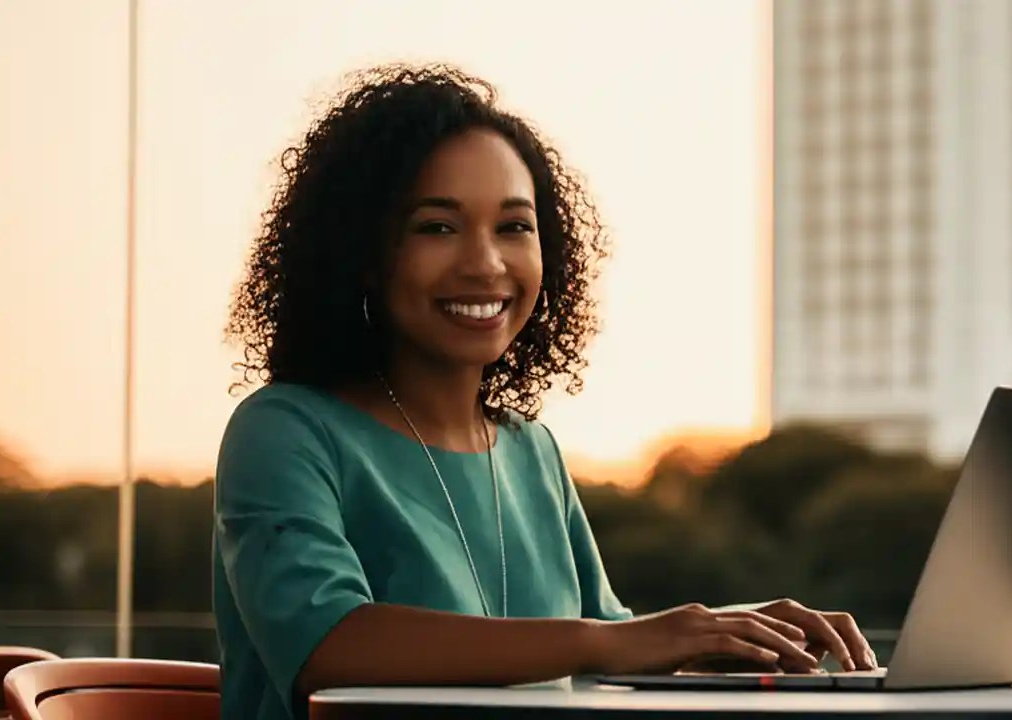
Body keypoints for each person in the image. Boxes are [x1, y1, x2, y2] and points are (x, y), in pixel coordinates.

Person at [215, 63, 875, 720]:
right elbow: (329, 644)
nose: (485, 263)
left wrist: (724, 639)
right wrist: (623, 641)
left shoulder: (533, 453)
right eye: (437, 227)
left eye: (514, 227)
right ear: (361, 252)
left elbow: (607, 642)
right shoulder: (283, 432)